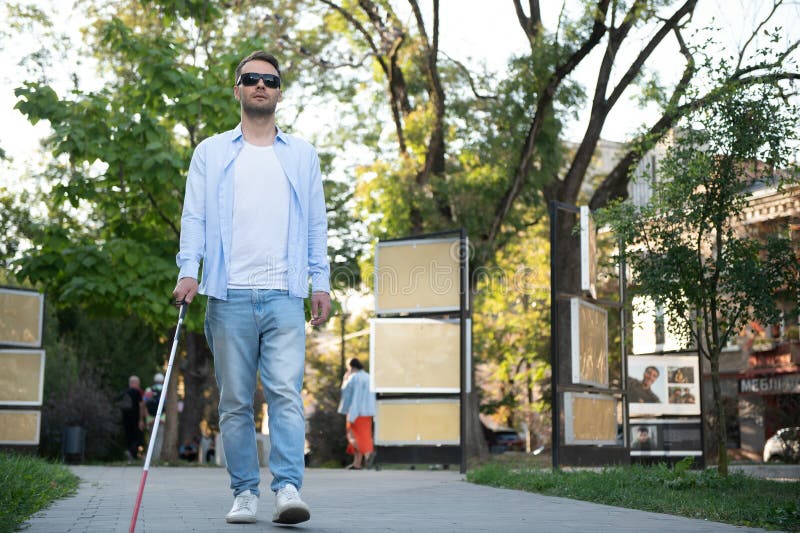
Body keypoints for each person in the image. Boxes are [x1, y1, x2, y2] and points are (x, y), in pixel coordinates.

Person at [172, 50, 330, 526]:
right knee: (235, 403)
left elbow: (316, 224)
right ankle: (244, 492)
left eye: (270, 80)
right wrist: (188, 270)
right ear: (237, 89)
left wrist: (320, 282)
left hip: (284, 295)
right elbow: (194, 217)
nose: (261, 85)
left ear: (279, 93)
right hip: (228, 295)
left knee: (285, 395)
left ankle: (287, 489)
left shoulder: (301, 155)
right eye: (252, 78)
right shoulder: (211, 152)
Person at [337, 358, 376, 469]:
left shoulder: (354, 378)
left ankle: (368, 455)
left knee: (353, 436)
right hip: (367, 412)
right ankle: (357, 463)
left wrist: (345, 380)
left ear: (351, 367)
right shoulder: (368, 377)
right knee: (364, 436)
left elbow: (349, 395)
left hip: (355, 411)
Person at [120, 375, 146, 461]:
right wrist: (141, 420)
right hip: (136, 419)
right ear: (135, 383)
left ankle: (130, 454)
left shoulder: (124, 392)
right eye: (138, 383)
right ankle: (133, 453)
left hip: (125, 419)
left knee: (129, 437)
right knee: (139, 438)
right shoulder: (137, 392)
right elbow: (141, 405)